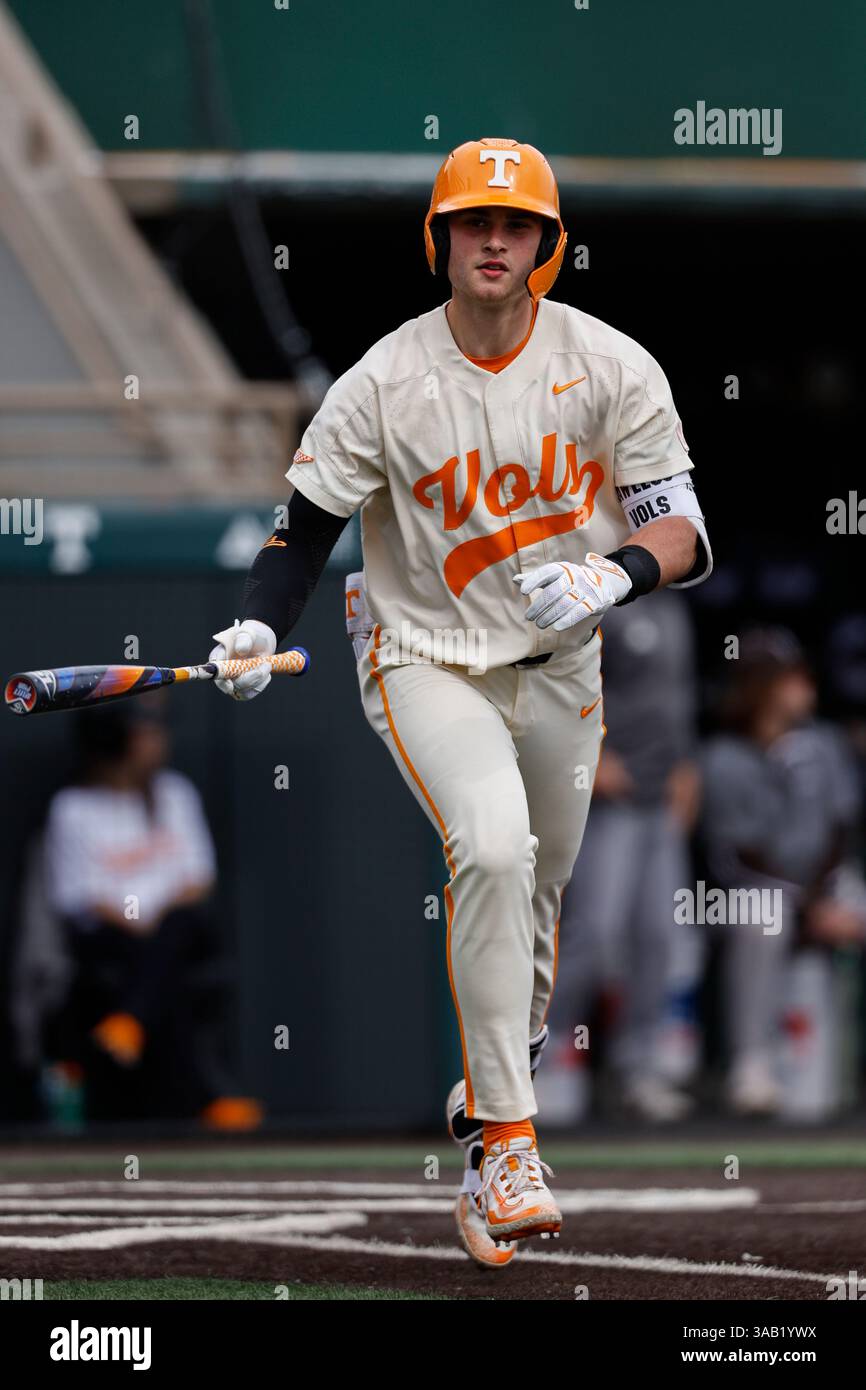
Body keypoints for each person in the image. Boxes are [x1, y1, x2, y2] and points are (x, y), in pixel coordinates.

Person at [208, 137, 712, 1266]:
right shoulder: (384, 378)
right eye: (472, 222)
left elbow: (681, 530)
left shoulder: (612, 363)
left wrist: (613, 570)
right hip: (423, 653)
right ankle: (506, 1137)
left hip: (562, 663)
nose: (493, 239)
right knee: (489, 847)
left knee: (534, 895)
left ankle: (496, 1089)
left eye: (514, 223)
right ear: (438, 239)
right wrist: (255, 625)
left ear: (545, 243)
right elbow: (299, 534)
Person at [42, 704, 259, 1127]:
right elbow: (76, 896)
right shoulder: (73, 808)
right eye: (145, 733)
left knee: (175, 933)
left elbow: (198, 879)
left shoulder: (174, 794)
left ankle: (130, 1019)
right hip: (113, 937)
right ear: (115, 742)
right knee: (161, 966)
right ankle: (206, 1101)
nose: (158, 742)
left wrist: (154, 921)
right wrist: (136, 923)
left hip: (174, 929)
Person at [699, 629, 866, 1114]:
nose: (804, 688)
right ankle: (752, 1067)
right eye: (791, 678)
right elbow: (737, 857)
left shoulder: (825, 743)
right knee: (763, 919)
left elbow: (840, 830)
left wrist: (825, 901)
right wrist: (810, 906)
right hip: (752, 893)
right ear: (763, 687)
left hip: (827, 887)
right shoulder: (723, 756)